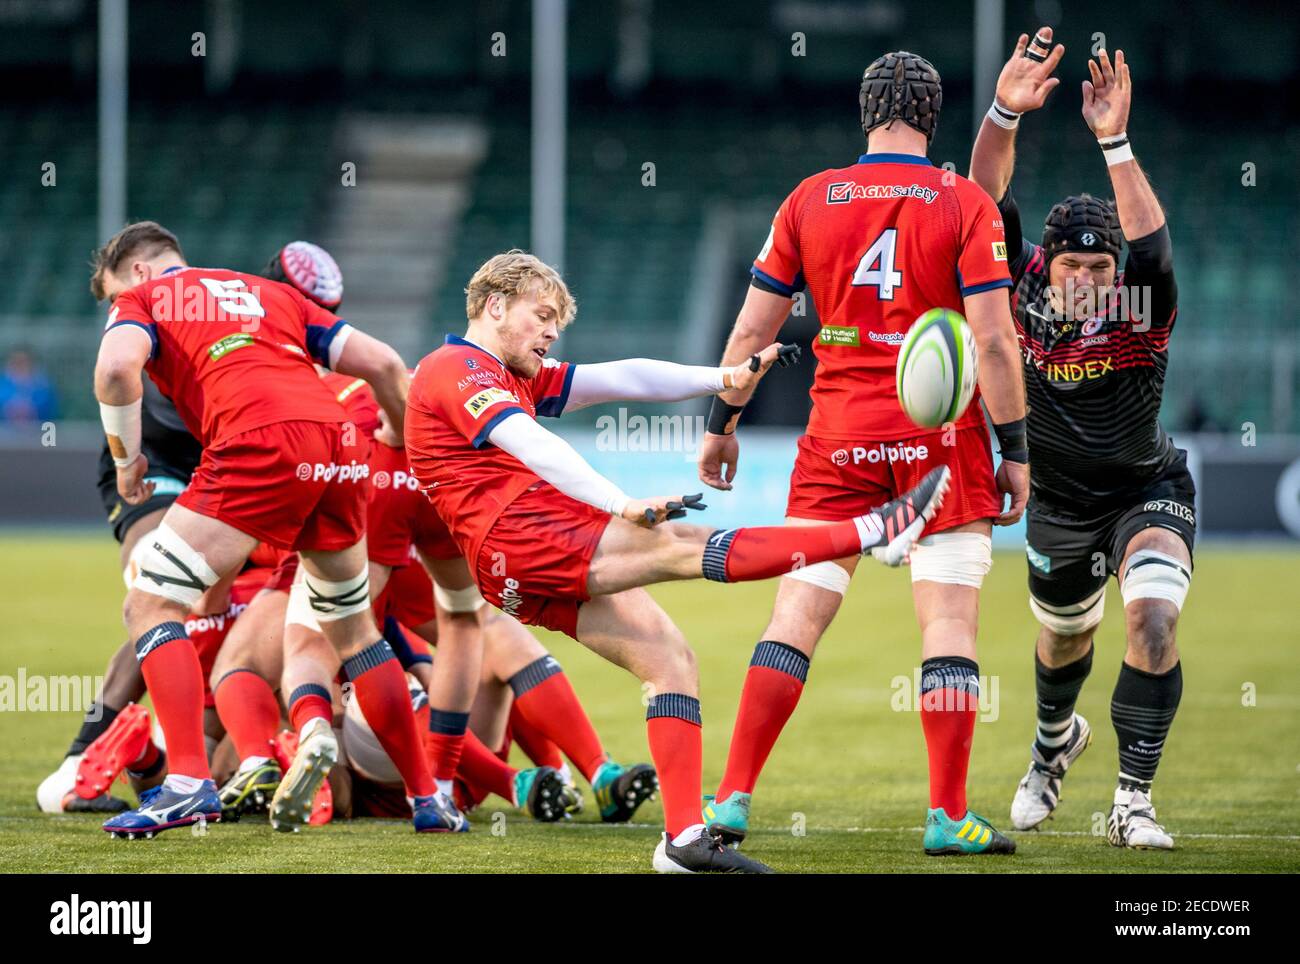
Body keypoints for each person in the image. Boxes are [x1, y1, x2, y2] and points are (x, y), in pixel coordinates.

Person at [405, 250, 950, 872]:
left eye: (558, 320)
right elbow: (529, 442)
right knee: (683, 545)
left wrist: (725, 377)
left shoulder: (511, 372)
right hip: (517, 532)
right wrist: (621, 503)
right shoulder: (457, 366)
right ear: (495, 306)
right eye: (543, 315)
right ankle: (872, 529)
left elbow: (624, 378)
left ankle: (683, 841)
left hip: (508, 557)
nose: (552, 331)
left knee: (670, 658)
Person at [696, 49, 1030, 857]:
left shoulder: (811, 198)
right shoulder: (964, 201)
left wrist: (720, 421)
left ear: (865, 112)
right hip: (940, 444)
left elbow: (750, 333)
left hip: (837, 438)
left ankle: (733, 798)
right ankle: (948, 816)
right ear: (933, 117)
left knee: (797, 613)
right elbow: (992, 341)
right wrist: (1014, 447)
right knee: (947, 620)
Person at [90, 221, 431, 837]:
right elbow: (384, 362)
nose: (114, 306)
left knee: (150, 602)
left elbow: (116, 371)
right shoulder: (267, 291)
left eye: (112, 294)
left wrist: (127, 460)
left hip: (259, 444)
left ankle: (190, 784)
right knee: (353, 632)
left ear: (138, 271)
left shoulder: (143, 300)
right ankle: (430, 799)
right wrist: (401, 431)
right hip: (339, 448)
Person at [968, 30, 1190, 849]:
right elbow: (984, 202)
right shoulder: (1018, 291)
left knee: (1154, 620)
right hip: (1058, 503)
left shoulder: (1142, 307)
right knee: (1063, 639)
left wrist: (1115, 141)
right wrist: (1002, 113)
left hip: (1145, 489)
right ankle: (1052, 748)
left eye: (1103, 272)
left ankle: (1133, 801)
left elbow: (1152, 246)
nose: (1093, 284)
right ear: (1047, 267)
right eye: (1076, 270)